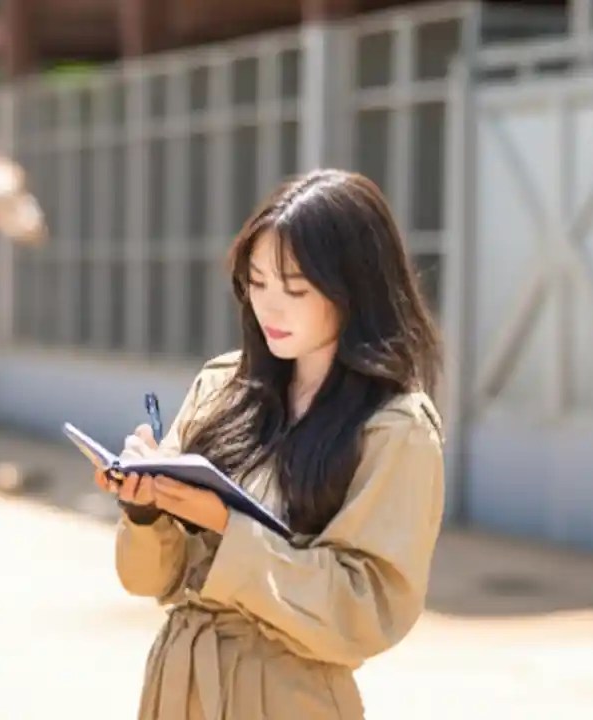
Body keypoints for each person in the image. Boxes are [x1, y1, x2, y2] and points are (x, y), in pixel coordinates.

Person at [94, 169, 446, 719]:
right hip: (177, 687)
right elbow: (151, 580)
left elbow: (369, 609)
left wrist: (228, 528)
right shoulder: (222, 387)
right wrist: (144, 511)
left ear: (356, 287)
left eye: (296, 288)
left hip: (288, 696)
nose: (270, 307)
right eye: (257, 283)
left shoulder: (394, 429)